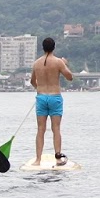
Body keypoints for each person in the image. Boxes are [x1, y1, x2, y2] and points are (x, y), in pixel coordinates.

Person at [30, 37, 74, 166]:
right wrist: (65, 63)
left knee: (40, 129)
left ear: (43, 48)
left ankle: (38, 160)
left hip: (41, 97)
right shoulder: (58, 62)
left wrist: (40, 89)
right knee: (56, 129)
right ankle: (58, 158)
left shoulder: (36, 63)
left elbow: (33, 81)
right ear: (54, 47)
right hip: (55, 97)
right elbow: (70, 77)